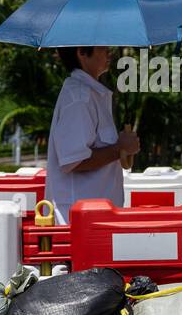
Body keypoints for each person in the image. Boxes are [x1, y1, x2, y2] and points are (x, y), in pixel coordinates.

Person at [46, 45, 139, 223]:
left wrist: (121, 148)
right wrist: (120, 148)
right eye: (102, 47)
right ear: (82, 52)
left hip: (94, 217)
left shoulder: (90, 93)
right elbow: (74, 160)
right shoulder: (80, 98)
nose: (108, 51)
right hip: (81, 220)